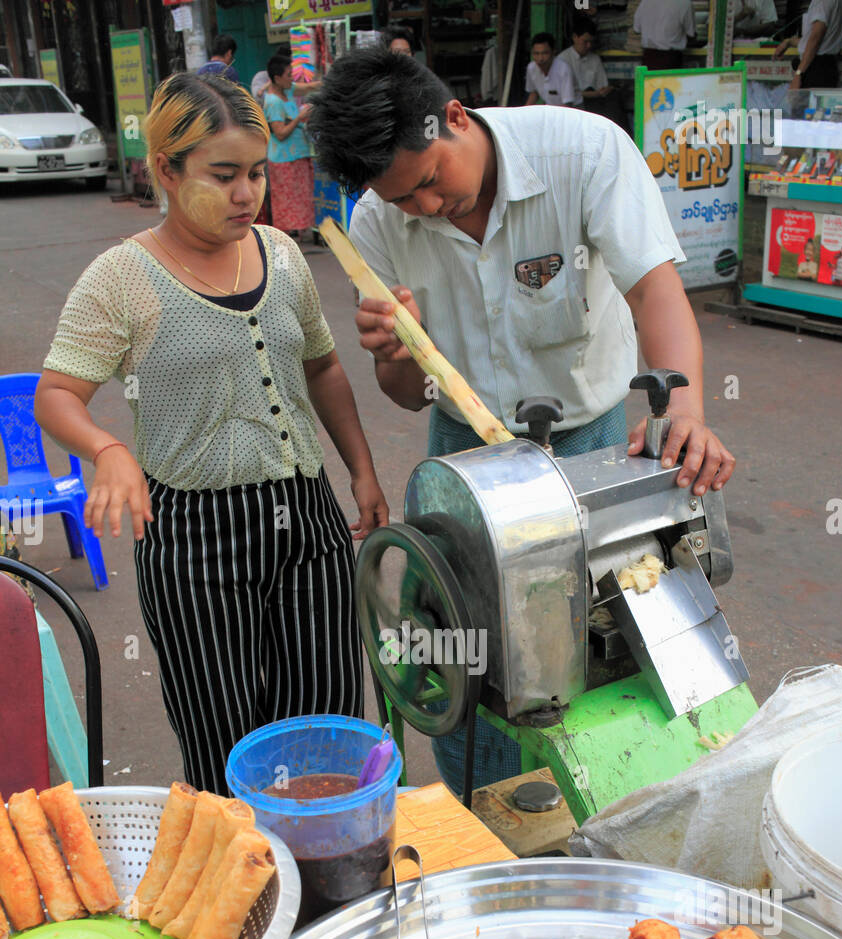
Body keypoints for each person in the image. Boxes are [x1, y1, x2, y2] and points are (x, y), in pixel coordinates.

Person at [307, 50, 735, 793]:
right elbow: (405, 393)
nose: (426, 210)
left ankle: (612, 806)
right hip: (466, 457)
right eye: (403, 201)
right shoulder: (379, 218)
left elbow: (656, 294)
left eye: (430, 183)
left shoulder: (583, 152)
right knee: (470, 664)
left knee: (600, 644)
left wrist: (687, 409)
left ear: (455, 117)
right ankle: (485, 814)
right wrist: (394, 350)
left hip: (588, 439)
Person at [34, 73, 388, 795]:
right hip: (194, 533)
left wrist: (361, 469)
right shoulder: (122, 279)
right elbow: (57, 394)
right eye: (222, 175)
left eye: (256, 172)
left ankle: (321, 889)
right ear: (166, 169)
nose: (246, 193)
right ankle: (248, 896)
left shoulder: (283, 256)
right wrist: (107, 449)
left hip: (307, 517)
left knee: (324, 727)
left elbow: (322, 368)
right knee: (222, 736)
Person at [263, 54, 315, 241]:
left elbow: (310, 87)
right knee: (286, 204)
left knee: (299, 200)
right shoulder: (274, 102)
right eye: (288, 75)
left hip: (297, 155)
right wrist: (299, 118)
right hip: (284, 160)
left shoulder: (287, 91)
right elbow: (280, 133)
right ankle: (285, 242)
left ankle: (294, 239)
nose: (291, 78)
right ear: (277, 78)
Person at [774, 0, 842, 91]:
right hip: (828, 65)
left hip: (815, 68)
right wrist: (789, 42)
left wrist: (799, 73)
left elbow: (815, 39)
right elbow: (817, 40)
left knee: (806, 103)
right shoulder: (839, 2)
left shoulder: (822, 2)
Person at [558, 17, 611, 107]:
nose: (589, 45)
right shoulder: (562, 59)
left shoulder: (595, 59)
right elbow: (565, 93)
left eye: (591, 42)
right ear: (575, 37)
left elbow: (602, 86)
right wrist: (595, 94)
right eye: (585, 41)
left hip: (593, 104)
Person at [633, 0, 696, 71]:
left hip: (649, 58)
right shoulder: (685, 3)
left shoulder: (645, 2)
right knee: (670, 81)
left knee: (649, 81)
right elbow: (691, 34)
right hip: (671, 59)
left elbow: (636, 29)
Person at [524, 32, 576, 107]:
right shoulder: (531, 68)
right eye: (536, 53)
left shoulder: (564, 69)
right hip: (550, 108)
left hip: (573, 109)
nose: (540, 58)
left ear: (553, 52)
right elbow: (534, 93)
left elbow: (568, 103)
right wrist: (524, 112)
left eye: (545, 53)